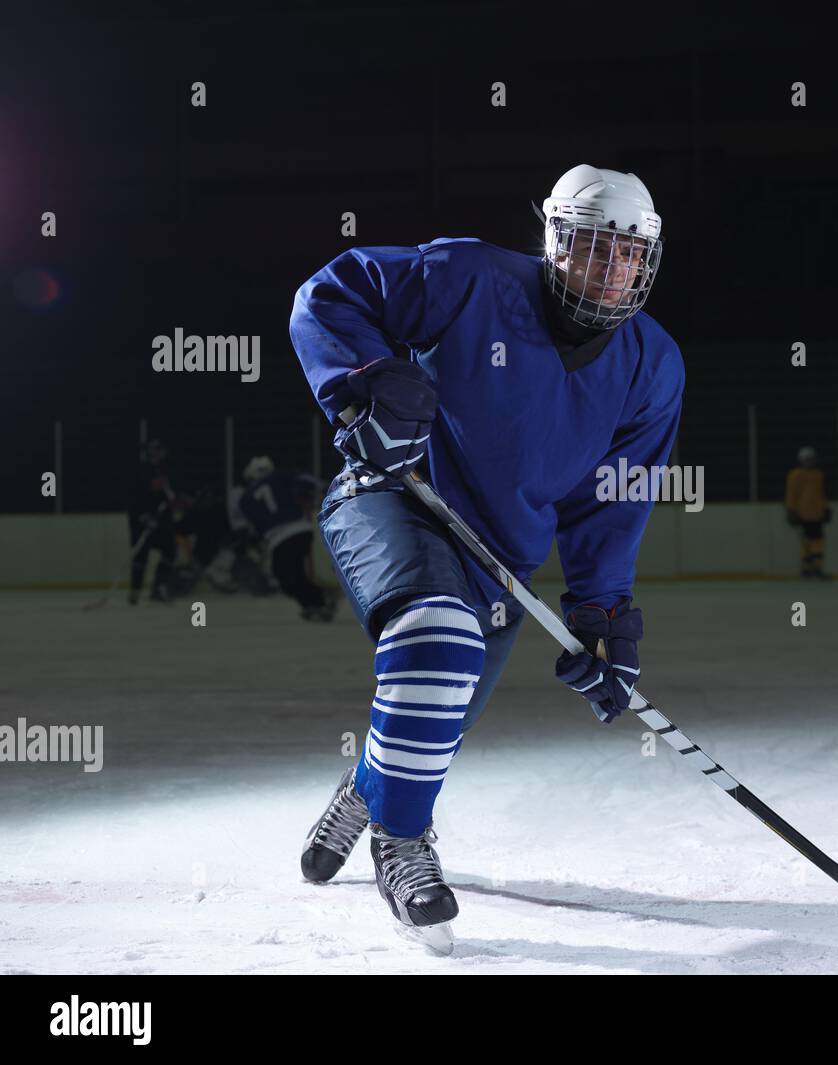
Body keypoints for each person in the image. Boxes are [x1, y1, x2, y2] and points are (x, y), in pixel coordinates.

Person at [288, 164, 683, 937]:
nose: (613, 269)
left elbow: (612, 496)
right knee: (436, 645)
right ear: (555, 242)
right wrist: (369, 384)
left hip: (498, 558)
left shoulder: (652, 365)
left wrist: (602, 610)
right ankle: (402, 842)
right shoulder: (470, 275)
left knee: (432, 722)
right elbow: (329, 294)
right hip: (394, 495)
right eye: (594, 248)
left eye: (629, 253)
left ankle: (369, 786)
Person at [233, 457, 334, 621]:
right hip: (300, 529)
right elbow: (308, 483)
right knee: (291, 574)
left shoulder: (245, 498)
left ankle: (318, 601)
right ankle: (315, 602)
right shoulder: (282, 476)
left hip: (279, 537)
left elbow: (251, 527)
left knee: (287, 576)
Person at [126, 438, 178, 604]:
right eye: (157, 450)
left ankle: (159, 587)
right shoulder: (139, 471)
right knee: (141, 555)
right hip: (142, 521)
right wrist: (143, 516)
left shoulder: (164, 471)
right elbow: (133, 496)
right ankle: (135, 591)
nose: (161, 454)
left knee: (170, 550)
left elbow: (169, 495)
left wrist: (173, 501)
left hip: (161, 520)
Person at [785, 445, 832, 579]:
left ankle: (817, 568)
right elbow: (791, 494)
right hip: (802, 514)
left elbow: (822, 493)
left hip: (817, 514)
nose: (810, 462)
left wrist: (825, 508)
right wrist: (791, 510)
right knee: (806, 542)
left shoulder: (818, 475)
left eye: (811, 459)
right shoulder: (795, 475)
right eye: (807, 459)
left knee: (818, 542)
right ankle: (807, 569)